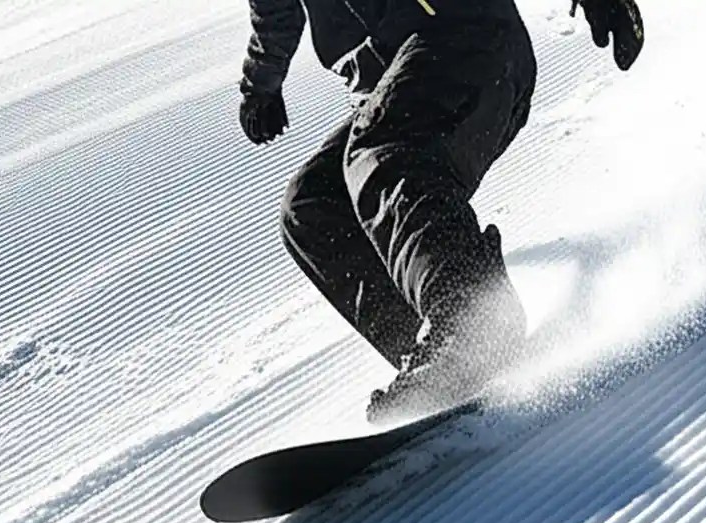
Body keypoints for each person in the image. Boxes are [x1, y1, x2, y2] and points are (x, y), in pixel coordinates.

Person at [238, 0, 644, 422]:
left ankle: (468, 321)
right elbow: (275, 11)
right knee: (313, 205)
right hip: (394, 87)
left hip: (467, 37)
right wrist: (259, 86)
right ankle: (443, 362)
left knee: (382, 151)